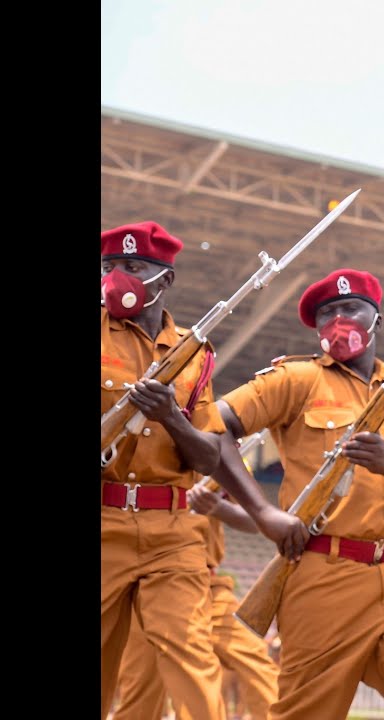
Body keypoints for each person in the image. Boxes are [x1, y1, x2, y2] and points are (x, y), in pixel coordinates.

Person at [210, 268, 384, 720]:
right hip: (322, 574)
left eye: (351, 308)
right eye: (327, 312)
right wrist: (263, 512)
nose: (339, 318)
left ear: (376, 322)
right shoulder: (296, 379)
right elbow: (214, 427)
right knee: (305, 711)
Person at [100, 221, 229, 720]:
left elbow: (209, 457)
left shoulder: (194, 356)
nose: (117, 278)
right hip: (105, 520)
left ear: (165, 280)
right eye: (109, 267)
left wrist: (170, 416)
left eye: (133, 268)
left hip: (173, 530)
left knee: (193, 660)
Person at [111, 481, 281, 720]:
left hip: (208, 585)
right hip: (146, 585)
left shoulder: (218, 454)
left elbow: (255, 517)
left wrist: (217, 507)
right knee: (143, 690)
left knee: (256, 662)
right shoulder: (138, 451)